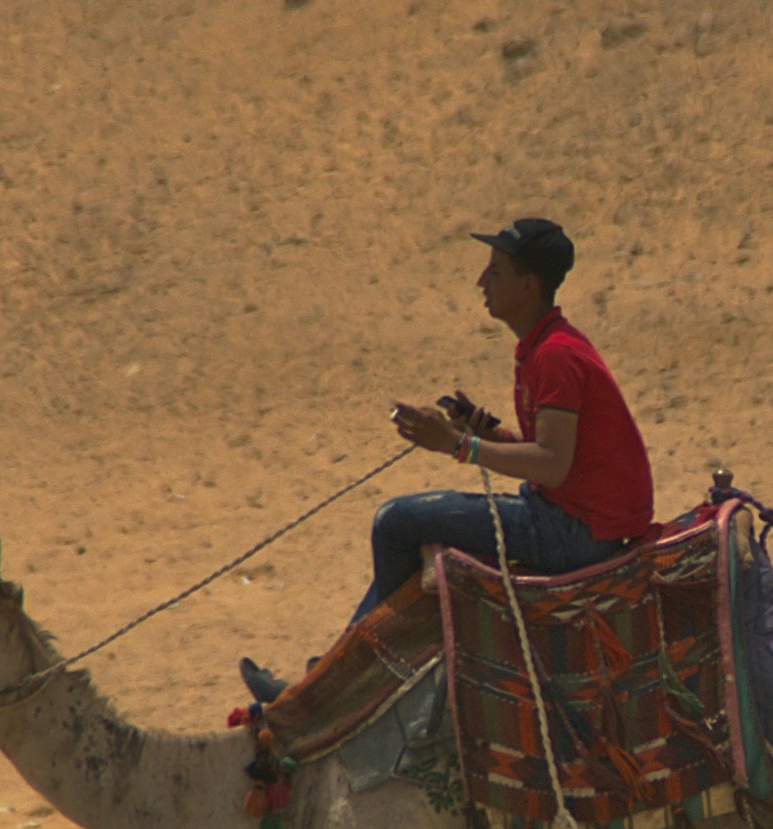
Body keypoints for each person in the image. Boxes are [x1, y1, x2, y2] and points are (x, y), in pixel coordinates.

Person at [241, 217, 657, 702]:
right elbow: (556, 453)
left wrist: (459, 446)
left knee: (395, 522)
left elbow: (552, 464)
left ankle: (339, 682)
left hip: (574, 531)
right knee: (407, 523)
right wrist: (484, 430)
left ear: (529, 285)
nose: (482, 282)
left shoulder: (555, 357)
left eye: (496, 272)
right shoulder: (546, 346)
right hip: (574, 516)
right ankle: (343, 668)